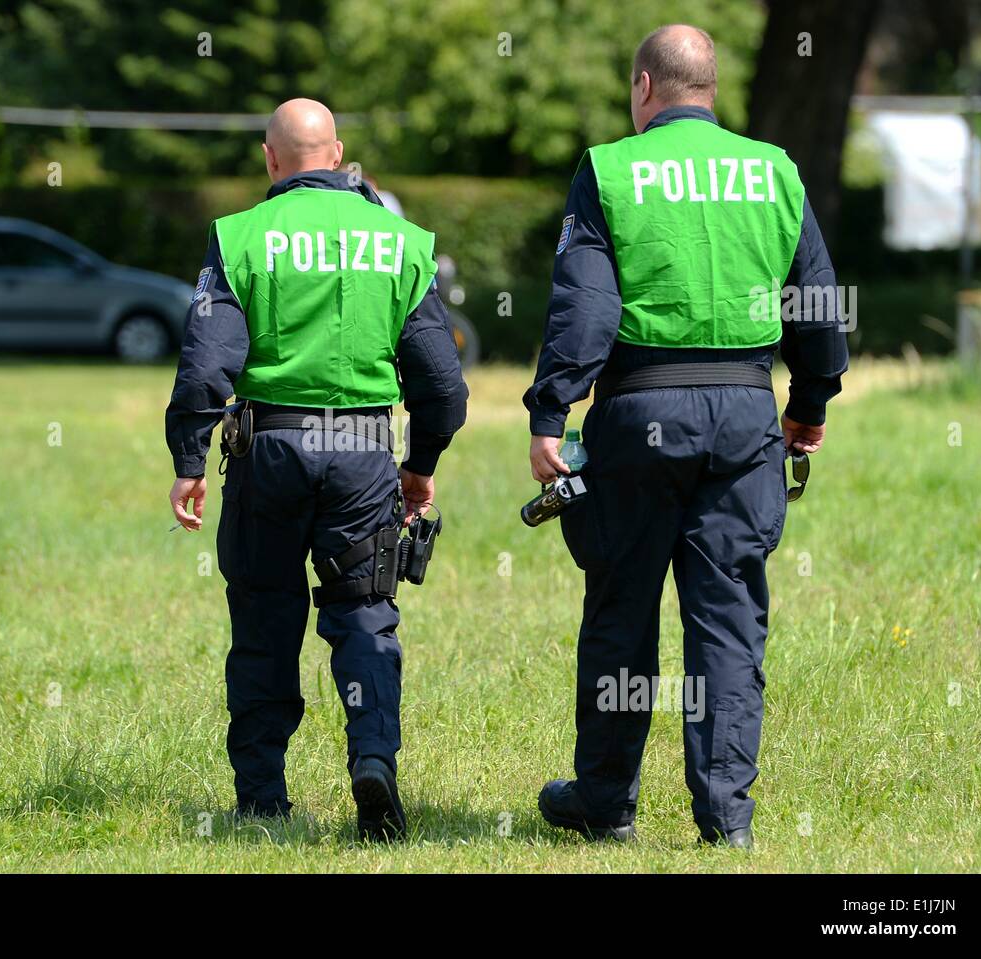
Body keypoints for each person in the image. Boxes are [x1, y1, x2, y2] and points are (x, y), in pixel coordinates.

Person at [523, 25, 848, 848]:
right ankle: (725, 821)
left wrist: (552, 410)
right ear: (711, 87)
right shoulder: (774, 170)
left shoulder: (609, 170)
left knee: (621, 612)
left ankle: (604, 803)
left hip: (638, 418)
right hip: (745, 415)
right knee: (729, 620)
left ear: (644, 88)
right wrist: (806, 405)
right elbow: (816, 300)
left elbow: (587, 308)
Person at [165, 98, 468, 840]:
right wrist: (419, 462)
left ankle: (262, 796)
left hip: (267, 448)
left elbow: (207, 365)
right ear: (338, 157)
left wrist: (188, 458)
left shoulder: (239, 238)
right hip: (364, 454)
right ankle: (372, 758)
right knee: (364, 615)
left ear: (271, 160)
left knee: (265, 621)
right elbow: (443, 385)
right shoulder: (402, 242)